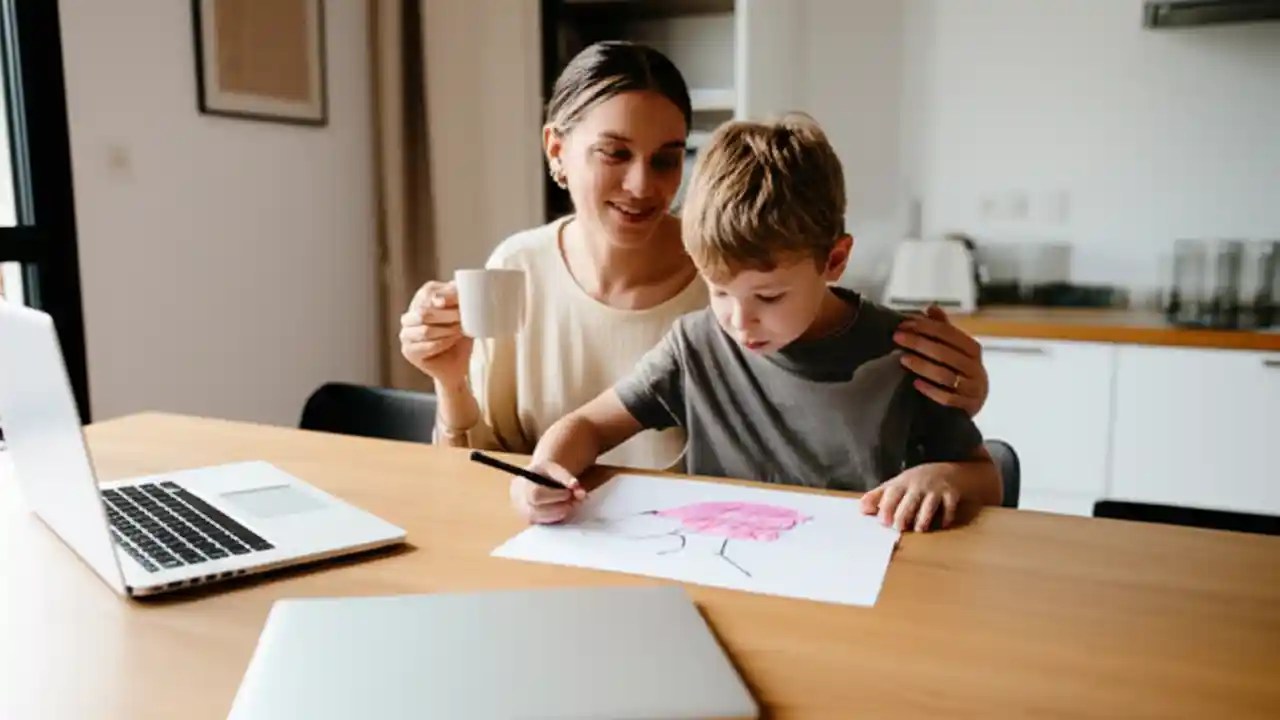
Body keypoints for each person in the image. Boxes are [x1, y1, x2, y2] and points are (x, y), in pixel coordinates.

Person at [399, 40, 990, 473]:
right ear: (557, 149)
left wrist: (958, 390)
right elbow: (479, 470)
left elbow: (841, 372)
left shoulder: (735, 260)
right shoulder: (516, 269)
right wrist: (451, 386)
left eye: (665, 158)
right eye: (614, 153)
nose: (641, 185)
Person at [509, 114, 1001, 533]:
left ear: (834, 260)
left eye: (768, 296)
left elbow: (987, 478)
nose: (739, 322)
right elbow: (588, 426)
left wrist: (945, 478)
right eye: (719, 291)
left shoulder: (904, 351)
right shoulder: (695, 345)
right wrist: (543, 470)